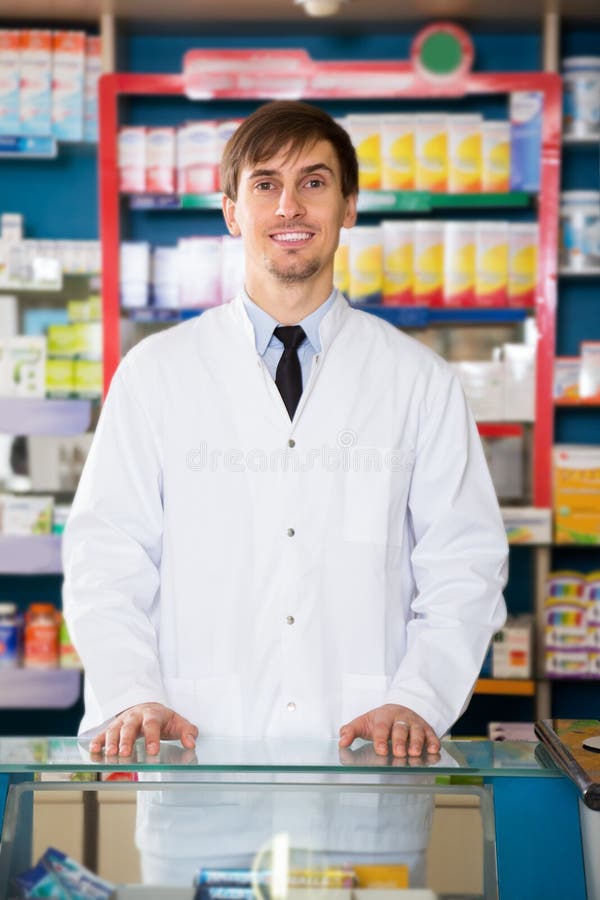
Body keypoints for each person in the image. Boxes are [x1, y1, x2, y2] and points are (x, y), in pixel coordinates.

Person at [63, 100, 507, 882]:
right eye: (265, 184)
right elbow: (107, 560)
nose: (289, 206)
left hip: (366, 778)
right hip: (200, 768)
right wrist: (133, 694)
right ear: (232, 211)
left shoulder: (417, 381)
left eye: (314, 182)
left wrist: (419, 700)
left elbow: (464, 566)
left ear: (349, 207)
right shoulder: (157, 375)